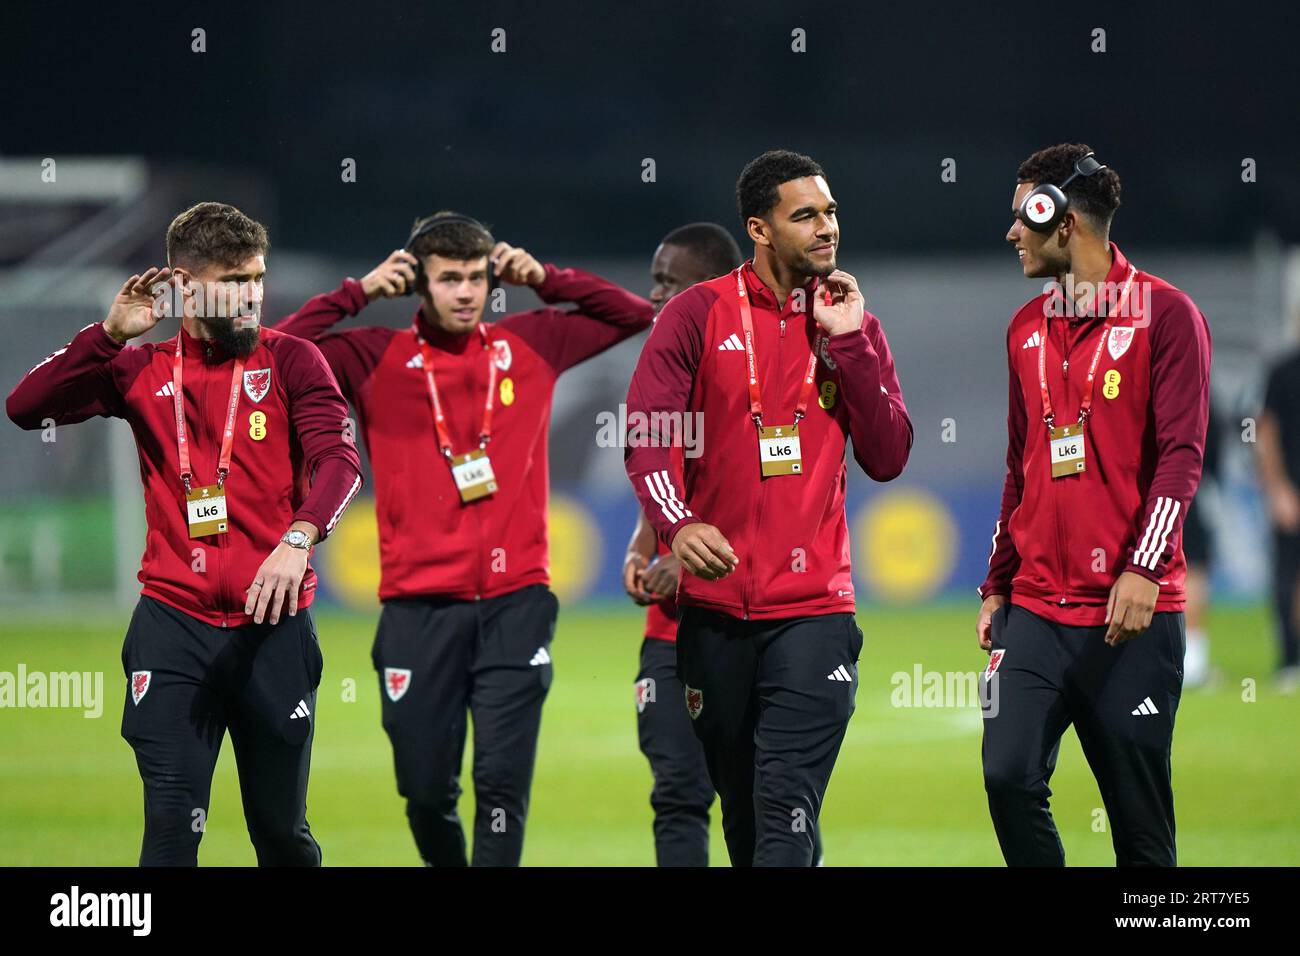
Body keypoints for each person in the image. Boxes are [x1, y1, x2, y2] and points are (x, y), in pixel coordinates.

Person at [275, 212, 654, 865]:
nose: (466, 292)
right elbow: (273, 350)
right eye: (449, 279)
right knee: (424, 791)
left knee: (502, 786)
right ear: (420, 282)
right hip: (417, 612)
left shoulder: (530, 343)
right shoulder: (372, 357)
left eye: (477, 278)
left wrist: (546, 278)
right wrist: (356, 293)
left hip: (517, 603)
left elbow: (633, 315)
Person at [6, 202, 363, 866]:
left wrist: (298, 539)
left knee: (281, 833)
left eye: (256, 277)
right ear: (183, 284)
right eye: (232, 281)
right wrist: (107, 335)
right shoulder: (137, 369)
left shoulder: (294, 362)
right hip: (173, 628)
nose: (251, 295)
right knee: (171, 831)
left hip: (274, 628)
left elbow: (339, 463)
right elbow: (25, 407)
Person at [624, 150, 912, 866]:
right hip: (714, 617)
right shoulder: (696, 314)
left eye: (831, 212)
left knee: (785, 811)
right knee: (746, 820)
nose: (827, 228)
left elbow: (889, 455)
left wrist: (853, 346)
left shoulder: (849, 326)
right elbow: (647, 435)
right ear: (759, 227)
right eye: (806, 215)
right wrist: (677, 524)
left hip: (814, 612)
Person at [976, 143, 1212, 866]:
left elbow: (1181, 457)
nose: (1012, 233)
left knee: (1140, 831)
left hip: (1129, 616)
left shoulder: (1167, 315)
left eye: (1022, 217)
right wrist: (997, 583)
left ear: (1060, 217)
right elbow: (1020, 466)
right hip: (1038, 611)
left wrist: (1144, 569)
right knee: (1007, 775)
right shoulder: (1024, 329)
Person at [1257, 343, 1300, 692]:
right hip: (1292, 493)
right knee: (1288, 578)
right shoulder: (1284, 370)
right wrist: (1277, 488)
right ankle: (1290, 661)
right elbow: (1266, 432)